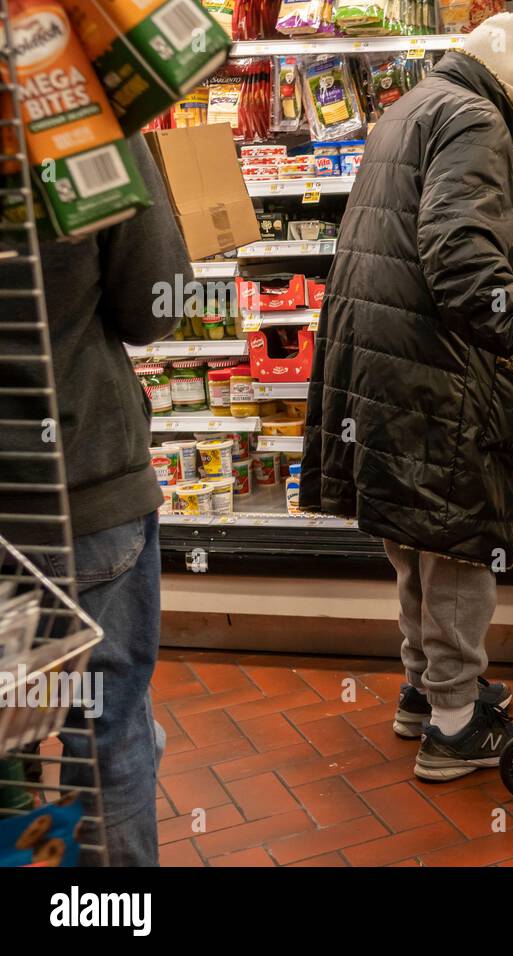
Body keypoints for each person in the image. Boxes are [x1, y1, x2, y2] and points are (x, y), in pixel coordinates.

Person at [300, 11, 513, 782]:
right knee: (459, 538)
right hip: (433, 366)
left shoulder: (411, 106)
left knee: (415, 532)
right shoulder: (475, 119)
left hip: (381, 356)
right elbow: (457, 250)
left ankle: (426, 692)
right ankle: (456, 729)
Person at [13, 135, 191, 865]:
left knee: (5, 740)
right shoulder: (84, 114)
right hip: (81, 490)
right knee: (105, 733)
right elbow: (157, 302)